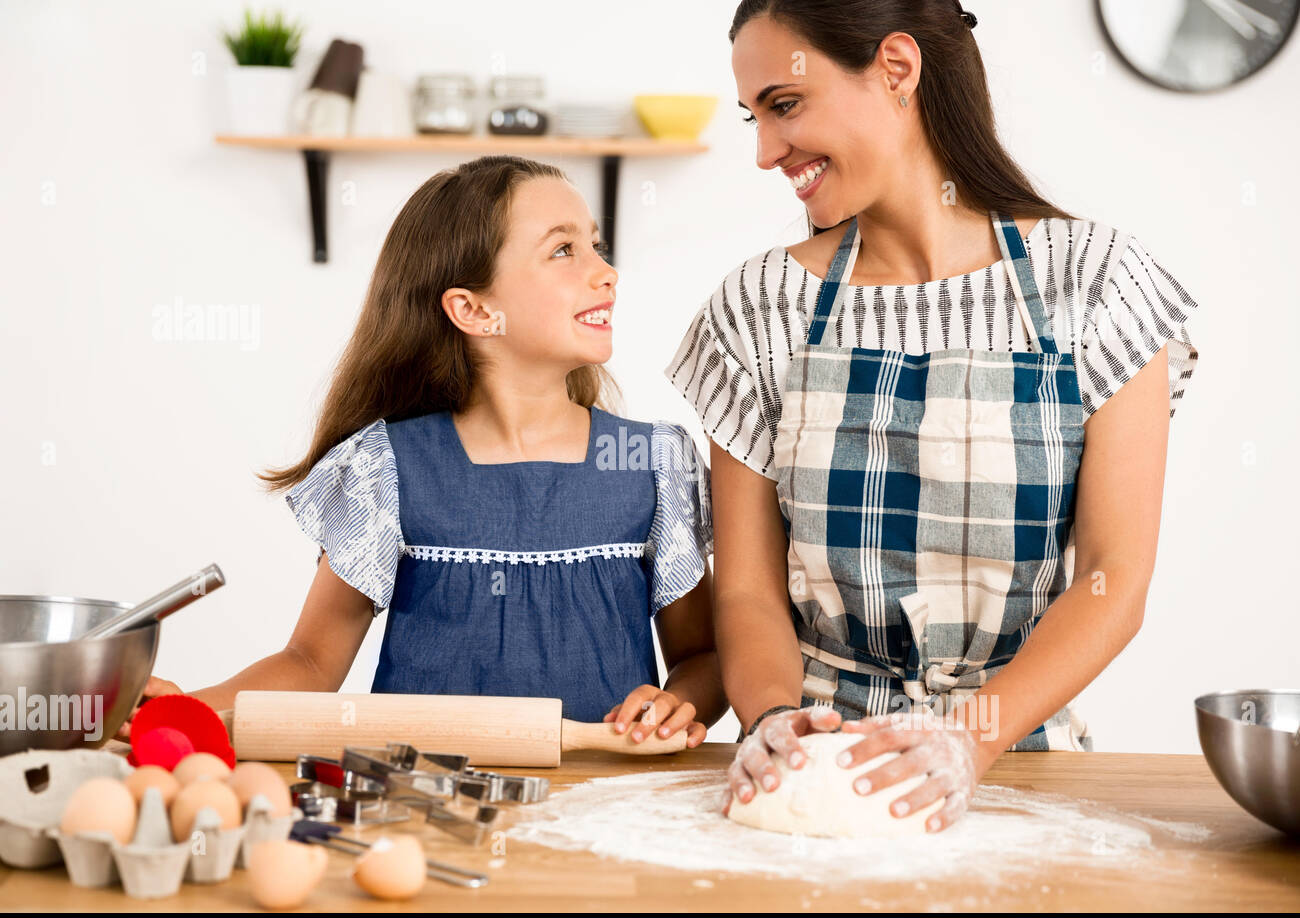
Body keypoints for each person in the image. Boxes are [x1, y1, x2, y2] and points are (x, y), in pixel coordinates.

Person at [666, 0, 1201, 829]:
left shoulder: (1097, 288)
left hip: (1017, 777)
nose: (766, 152)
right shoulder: (759, 307)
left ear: (897, 69)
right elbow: (746, 593)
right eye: (754, 118)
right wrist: (772, 720)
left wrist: (963, 740)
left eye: (784, 105)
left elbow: (1113, 580)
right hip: (813, 772)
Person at [125, 155, 726, 747]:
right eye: (564, 250)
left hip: (604, 810)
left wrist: (680, 699)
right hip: (423, 801)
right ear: (473, 309)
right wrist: (188, 708)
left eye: (597, 246)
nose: (605, 272)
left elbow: (701, 655)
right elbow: (309, 664)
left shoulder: (654, 463)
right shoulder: (384, 470)